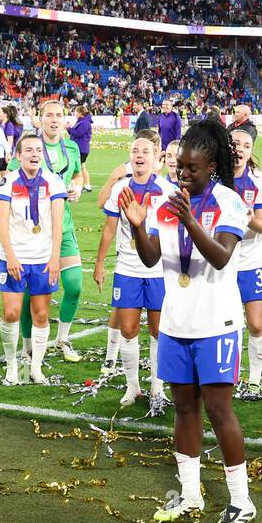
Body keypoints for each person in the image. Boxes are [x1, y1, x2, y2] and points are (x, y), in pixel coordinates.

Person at [117, 115, 256, 523]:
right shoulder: (165, 203)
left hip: (217, 322)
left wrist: (190, 219)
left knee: (218, 409)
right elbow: (149, 258)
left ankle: (241, 501)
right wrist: (140, 227)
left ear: (211, 167)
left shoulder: (229, 202)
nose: (183, 174)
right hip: (177, 323)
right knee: (184, 408)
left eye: (192, 168)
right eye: (179, 166)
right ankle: (191, 494)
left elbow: (221, 256)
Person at [95, 130, 175, 408]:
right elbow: (109, 230)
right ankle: (133, 387)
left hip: (158, 272)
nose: (139, 155)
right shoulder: (120, 189)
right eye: (135, 151)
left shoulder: (167, 190)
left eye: (145, 152)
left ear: (156, 159)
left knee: (157, 331)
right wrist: (100, 262)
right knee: (128, 330)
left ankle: (157, 387)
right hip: (127, 269)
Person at [8, 100, 88, 364]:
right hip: (34, 233)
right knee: (32, 292)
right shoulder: (28, 146)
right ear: (39, 119)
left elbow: (77, 174)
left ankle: (62, 339)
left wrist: (76, 187)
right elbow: (9, 179)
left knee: (75, 285)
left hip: (63, 228)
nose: (54, 120)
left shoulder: (72, 148)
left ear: (65, 120)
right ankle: (27, 346)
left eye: (59, 115)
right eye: (49, 115)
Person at [0, 133, 66, 385]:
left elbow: (58, 224)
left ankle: (36, 367)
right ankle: (12, 366)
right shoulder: (8, 182)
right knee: (12, 313)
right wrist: (11, 257)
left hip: (43, 259)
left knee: (41, 315)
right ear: (18, 155)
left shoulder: (54, 182)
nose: (35, 154)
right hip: (14, 258)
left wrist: (55, 257)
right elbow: (2, 224)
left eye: (38, 150)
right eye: (29, 150)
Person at [229, 125, 262, 395]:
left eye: (246, 145)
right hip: (222, 259)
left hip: (252, 258)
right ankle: (229, 376)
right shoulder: (215, 175)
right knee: (227, 322)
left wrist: (246, 217)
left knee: (255, 323)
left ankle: (254, 379)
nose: (241, 150)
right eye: (236, 144)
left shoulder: (258, 180)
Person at [68, 104, 94, 189]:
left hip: (81, 148)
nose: (74, 113)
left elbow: (78, 134)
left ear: (79, 113)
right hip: (81, 148)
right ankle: (86, 185)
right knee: (81, 167)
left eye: (75, 111)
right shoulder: (82, 121)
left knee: (79, 167)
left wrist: (68, 128)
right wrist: (69, 129)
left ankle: (82, 185)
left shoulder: (84, 122)